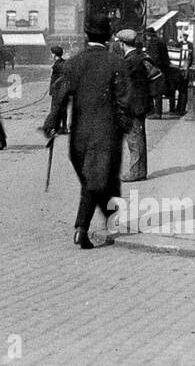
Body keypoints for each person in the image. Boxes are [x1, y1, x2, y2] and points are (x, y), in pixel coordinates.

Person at [41, 16, 130, 250]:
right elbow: (125, 100)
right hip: (106, 134)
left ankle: (109, 220)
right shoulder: (116, 62)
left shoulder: (74, 63)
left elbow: (59, 96)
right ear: (109, 37)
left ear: (87, 36)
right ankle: (83, 228)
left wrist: (51, 123)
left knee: (95, 179)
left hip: (78, 136)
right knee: (99, 179)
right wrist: (124, 125)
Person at [116, 29, 160, 182]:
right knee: (138, 137)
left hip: (132, 105)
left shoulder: (129, 62)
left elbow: (123, 87)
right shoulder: (141, 57)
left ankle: (136, 172)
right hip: (141, 103)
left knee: (134, 139)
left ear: (122, 44)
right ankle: (140, 170)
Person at [144, 28, 171, 119]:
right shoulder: (160, 41)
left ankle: (156, 112)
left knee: (155, 92)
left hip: (156, 70)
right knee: (156, 91)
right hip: (163, 68)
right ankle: (155, 112)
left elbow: (155, 57)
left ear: (148, 35)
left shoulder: (154, 42)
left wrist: (148, 62)